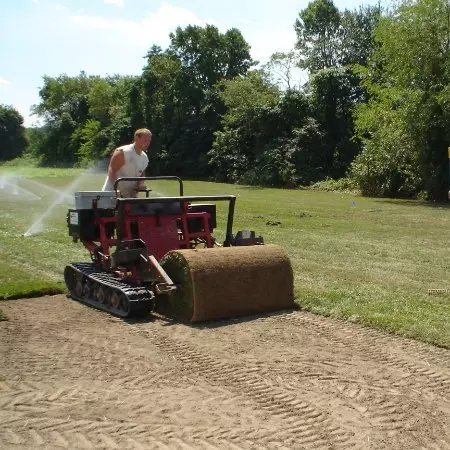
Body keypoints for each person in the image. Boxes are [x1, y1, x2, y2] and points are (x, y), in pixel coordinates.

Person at [101, 128, 152, 198]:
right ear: (137, 138)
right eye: (145, 140)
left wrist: (140, 185)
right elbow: (112, 170)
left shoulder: (145, 158)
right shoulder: (123, 152)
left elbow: (141, 174)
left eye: (149, 141)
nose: (148, 143)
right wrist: (116, 189)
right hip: (112, 194)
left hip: (129, 197)